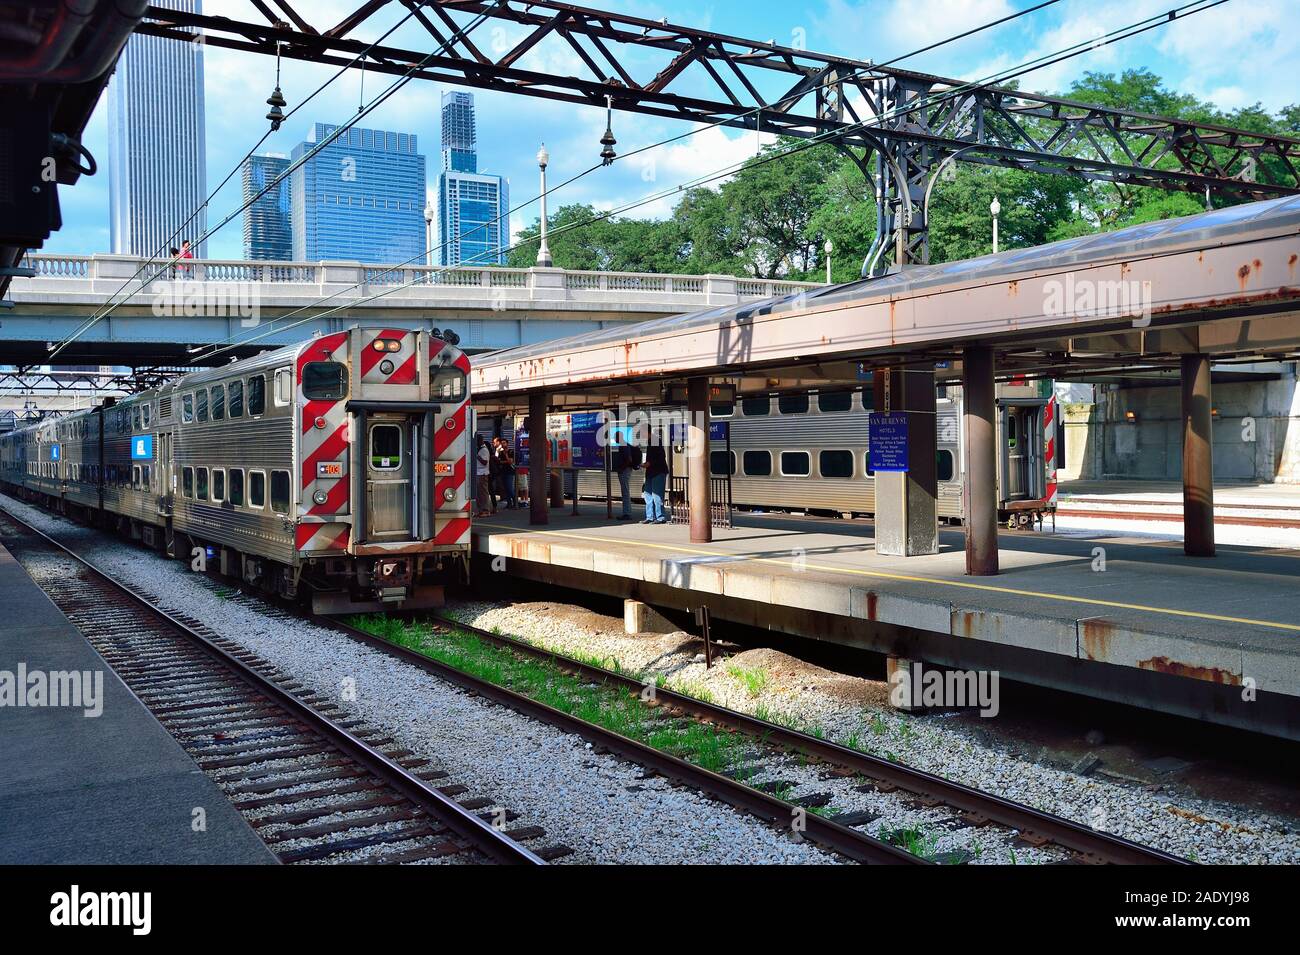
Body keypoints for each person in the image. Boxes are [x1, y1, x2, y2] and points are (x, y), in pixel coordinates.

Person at [612, 431, 641, 520]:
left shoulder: (624, 445)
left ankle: (627, 513)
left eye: (615, 437)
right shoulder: (624, 445)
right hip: (625, 470)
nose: (614, 439)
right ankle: (626, 513)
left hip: (625, 471)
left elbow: (629, 459)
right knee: (625, 491)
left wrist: (622, 468)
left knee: (625, 492)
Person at [642, 438, 668, 524]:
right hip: (650, 472)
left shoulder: (655, 441)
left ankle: (660, 517)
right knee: (647, 494)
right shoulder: (649, 442)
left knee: (657, 495)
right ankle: (650, 516)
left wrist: (649, 463)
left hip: (658, 472)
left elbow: (660, 457)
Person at [494, 436, 518, 509]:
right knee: (506, 489)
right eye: (502, 443)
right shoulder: (500, 452)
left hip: (510, 472)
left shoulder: (511, 451)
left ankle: (515, 502)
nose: (503, 444)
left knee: (509, 488)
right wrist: (503, 461)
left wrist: (505, 454)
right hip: (503, 472)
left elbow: (510, 461)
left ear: (507, 444)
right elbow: (498, 461)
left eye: (504, 443)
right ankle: (509, 504)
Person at [475, 435, 492, 517]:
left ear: (480, 441)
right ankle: (480, 510)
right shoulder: (480, 449)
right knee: (479, 493)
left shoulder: (484, 450)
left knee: (483, 492)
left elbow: (485, 462)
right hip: (478, 473)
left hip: (482, 473)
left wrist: (477, 457)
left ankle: (485, 510)